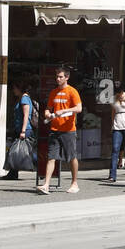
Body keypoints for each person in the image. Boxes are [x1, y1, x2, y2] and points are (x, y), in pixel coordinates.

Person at [38, 67, 82, 195]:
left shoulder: (72, 91)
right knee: (51, 157)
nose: (58, 79)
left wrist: (64, 111)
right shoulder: (53, 92)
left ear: (67, 77)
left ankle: (74, 183)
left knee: (71, 157)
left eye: (61, 77)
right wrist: (47, 114)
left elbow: (79, 108)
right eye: (57, 77)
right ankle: (46, 184)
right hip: (54, 129)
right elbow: (48, 108)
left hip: (68, 130)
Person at [3, 79, 36, 181]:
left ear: (19, 88)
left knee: (24, 152)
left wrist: (23, 131)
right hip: (20, 129)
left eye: (14, 88)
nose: (13, 90)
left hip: (25, 130)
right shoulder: (22, 98)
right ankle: (13, 172)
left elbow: (26, 116)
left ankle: (42, 167)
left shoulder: (24, 99)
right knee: (17, 151)